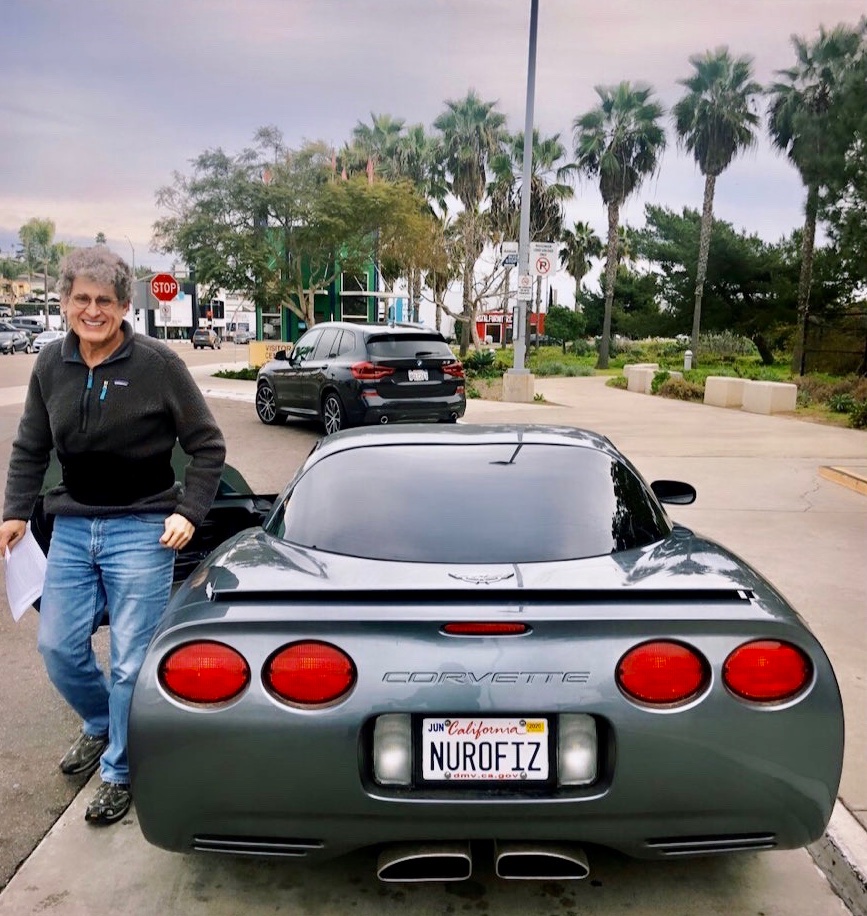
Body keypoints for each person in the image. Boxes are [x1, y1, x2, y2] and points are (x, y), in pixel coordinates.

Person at [0, 247, 226, 825]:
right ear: (66, 303)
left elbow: (207, 446)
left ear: (126, 306)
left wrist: (189, 511)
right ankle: (103, 723)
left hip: (145, 527)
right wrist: (15, 511)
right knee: (57, 647)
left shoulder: (158, 364)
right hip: (73, 525)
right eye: (81, 299)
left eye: (105, 301)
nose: (92, 310)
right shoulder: (51, 363)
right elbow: (30, 445)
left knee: (129, 661)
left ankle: (121, 770)